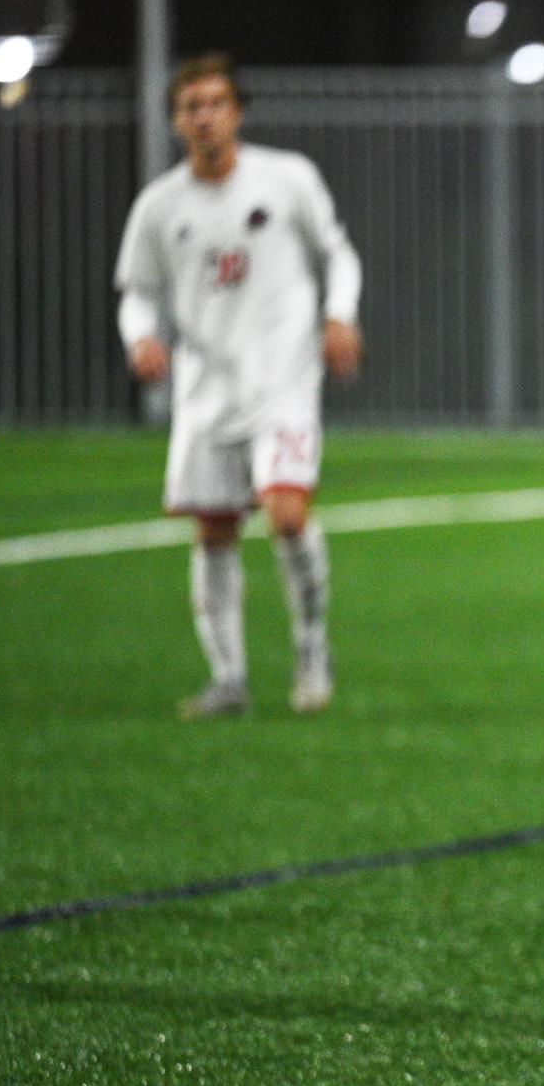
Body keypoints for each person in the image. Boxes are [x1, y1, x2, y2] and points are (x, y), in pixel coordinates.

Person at [116, 52, 362, 719]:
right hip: (206, 389)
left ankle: (311, 649)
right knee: (215, 528)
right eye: (190, 105)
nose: (204, 116)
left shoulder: (286, 179)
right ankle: (229, 679)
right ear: (175, 120)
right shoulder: (160, 207)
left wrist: (339, 315)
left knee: (286, 511)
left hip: (282, 377)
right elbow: (137, 292)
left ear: (237, 112)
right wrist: (140, 336)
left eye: (215, 102)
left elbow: (337, 252)